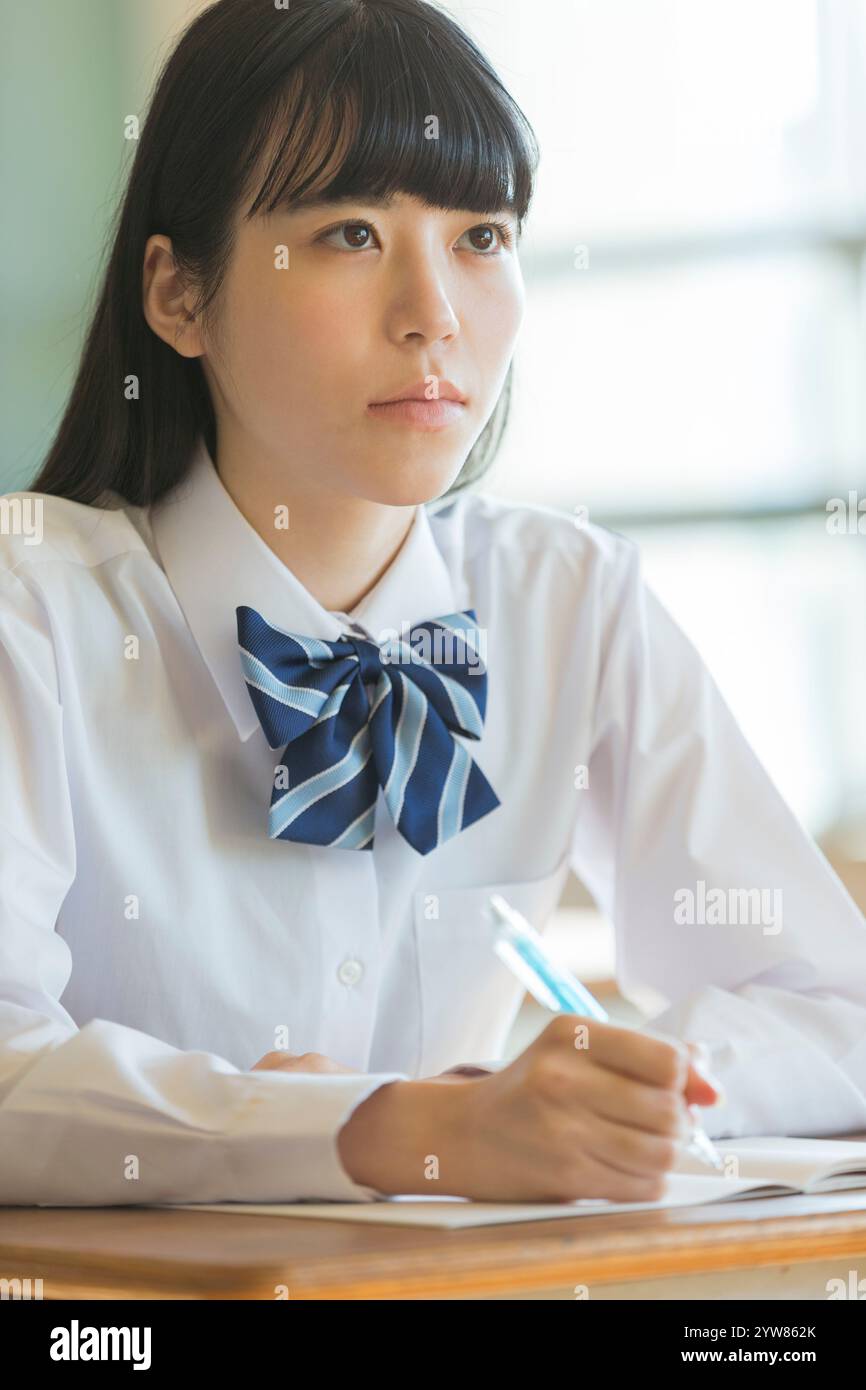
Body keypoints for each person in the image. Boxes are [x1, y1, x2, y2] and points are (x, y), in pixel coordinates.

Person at [1, 0, 864, 1210]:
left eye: (480, 237)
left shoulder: (569, 597)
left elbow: (836, 1012)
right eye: (352, 232)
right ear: (177, 297)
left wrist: (603, 1094)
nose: (433, 315)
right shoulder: (28, 615)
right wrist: (376, 1130)